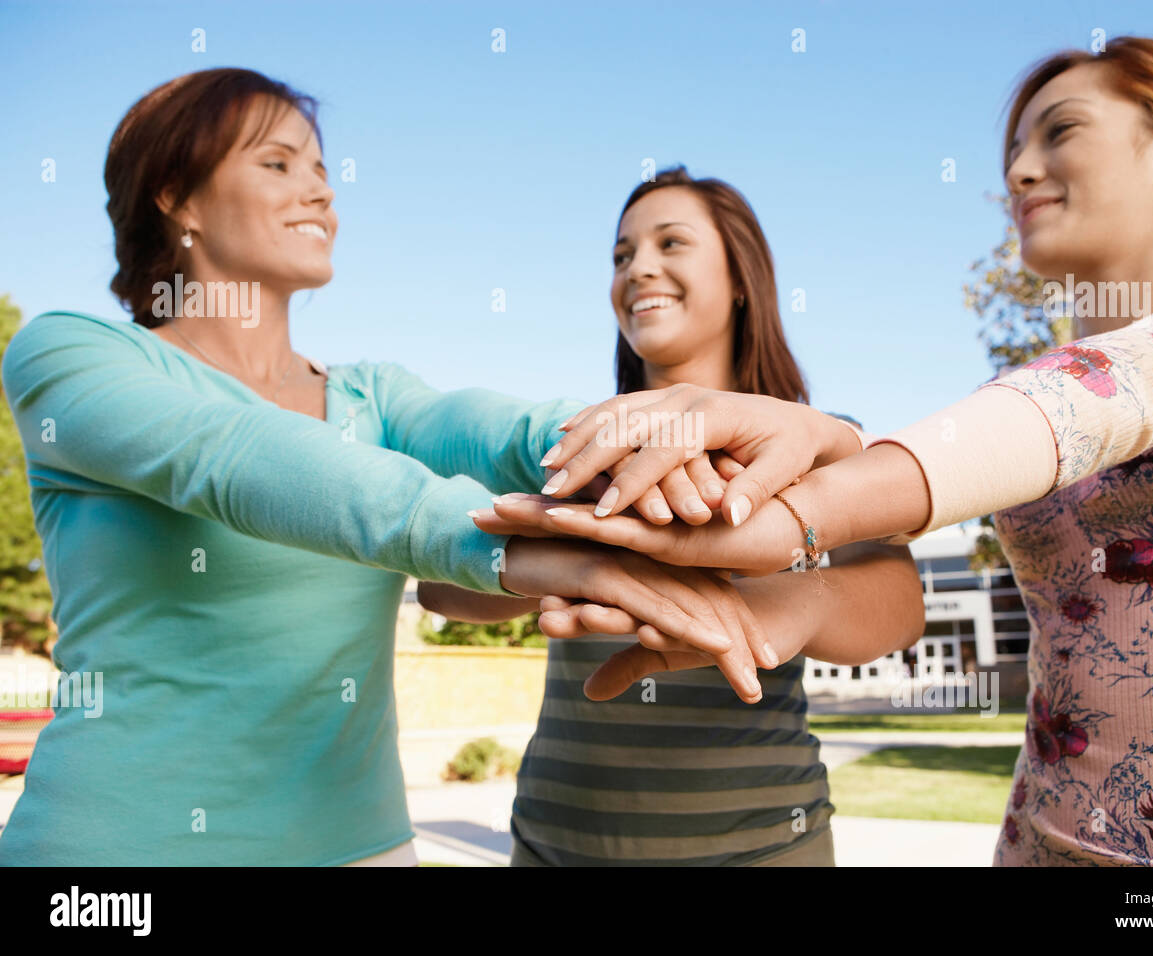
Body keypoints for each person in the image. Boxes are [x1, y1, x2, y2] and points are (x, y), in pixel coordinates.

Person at [479, 37, 1153, 864]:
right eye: (1012, 149)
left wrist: (801, 517)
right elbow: (457, 575)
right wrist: (579, 554)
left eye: (1059, 132)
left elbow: (1122, 387)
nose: (1017, 172)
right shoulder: (575, 439)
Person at [0, 68, 803, 866]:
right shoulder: (71, 355)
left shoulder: (372, 398)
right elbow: (232, 457)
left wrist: (646, 444)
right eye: (278, 164)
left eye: (322, 171)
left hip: (363, 848)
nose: (321, 193)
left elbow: (506, 432)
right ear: (175, 195)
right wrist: (522, 551)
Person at [428, 167, 923, 865]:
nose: (639, 269)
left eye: (671, 243)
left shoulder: (818, 440)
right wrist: (576, 554)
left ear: (741, 277)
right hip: (553, 842)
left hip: (759, 847)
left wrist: (783, 605)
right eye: (622, 255)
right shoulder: (571, 441)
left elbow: (901, 608)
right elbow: (438, 584)